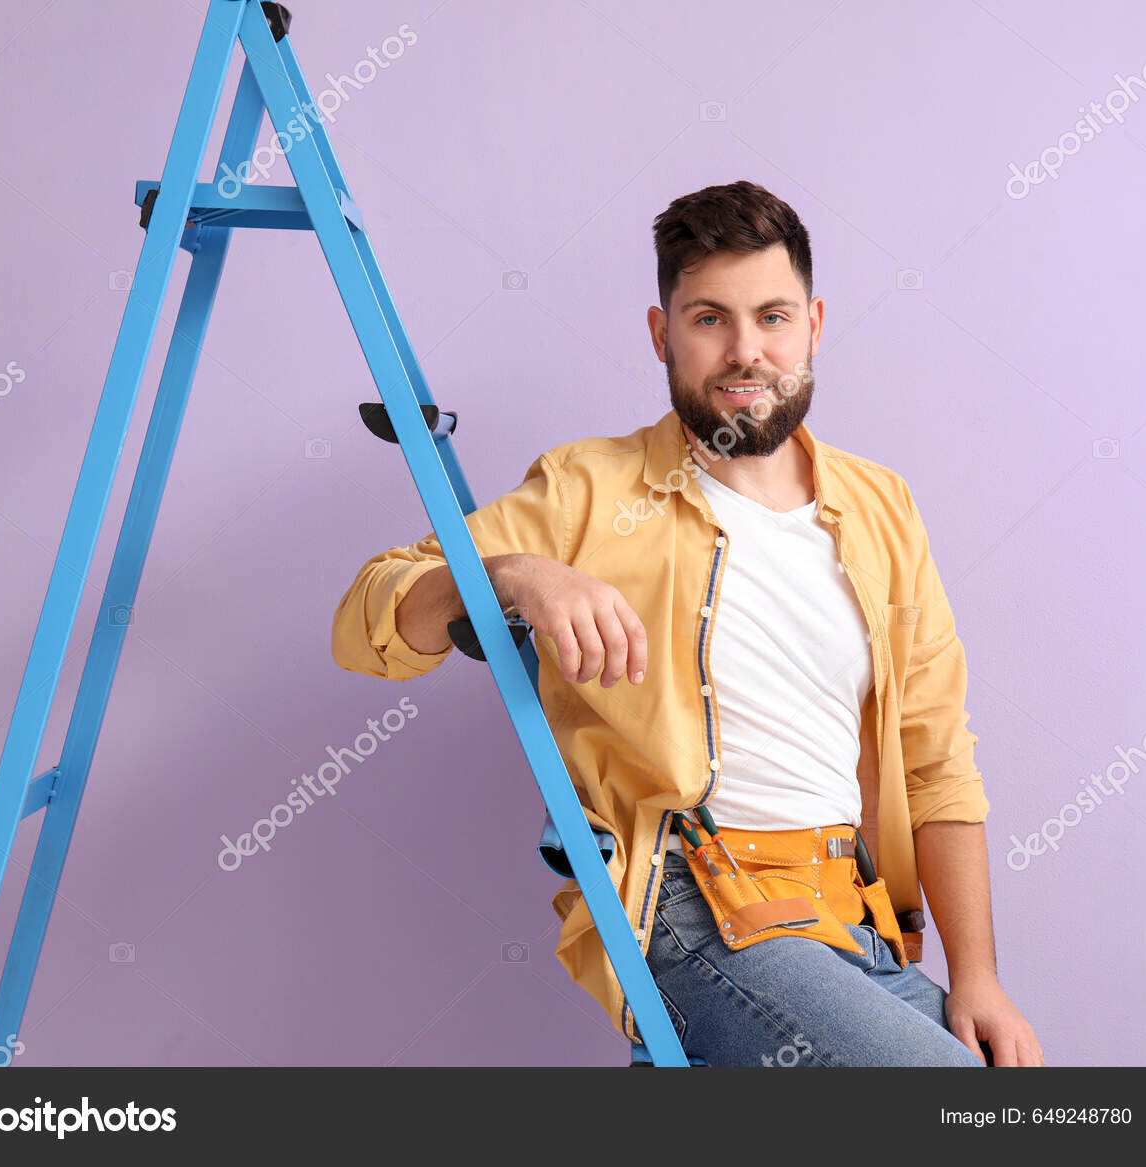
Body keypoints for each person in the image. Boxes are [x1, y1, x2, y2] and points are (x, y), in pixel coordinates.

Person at [332, 179, 1043, 1067]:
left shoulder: (883, 506)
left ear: (815, 325)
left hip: (856, 919)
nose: (747, 351)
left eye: (773, 317)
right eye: (710, 318)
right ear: (661, 332)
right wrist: (512, 574)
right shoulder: (589, 490)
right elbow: (367, 618)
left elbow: (936, 758)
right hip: (696, 907)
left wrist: (977, 975)